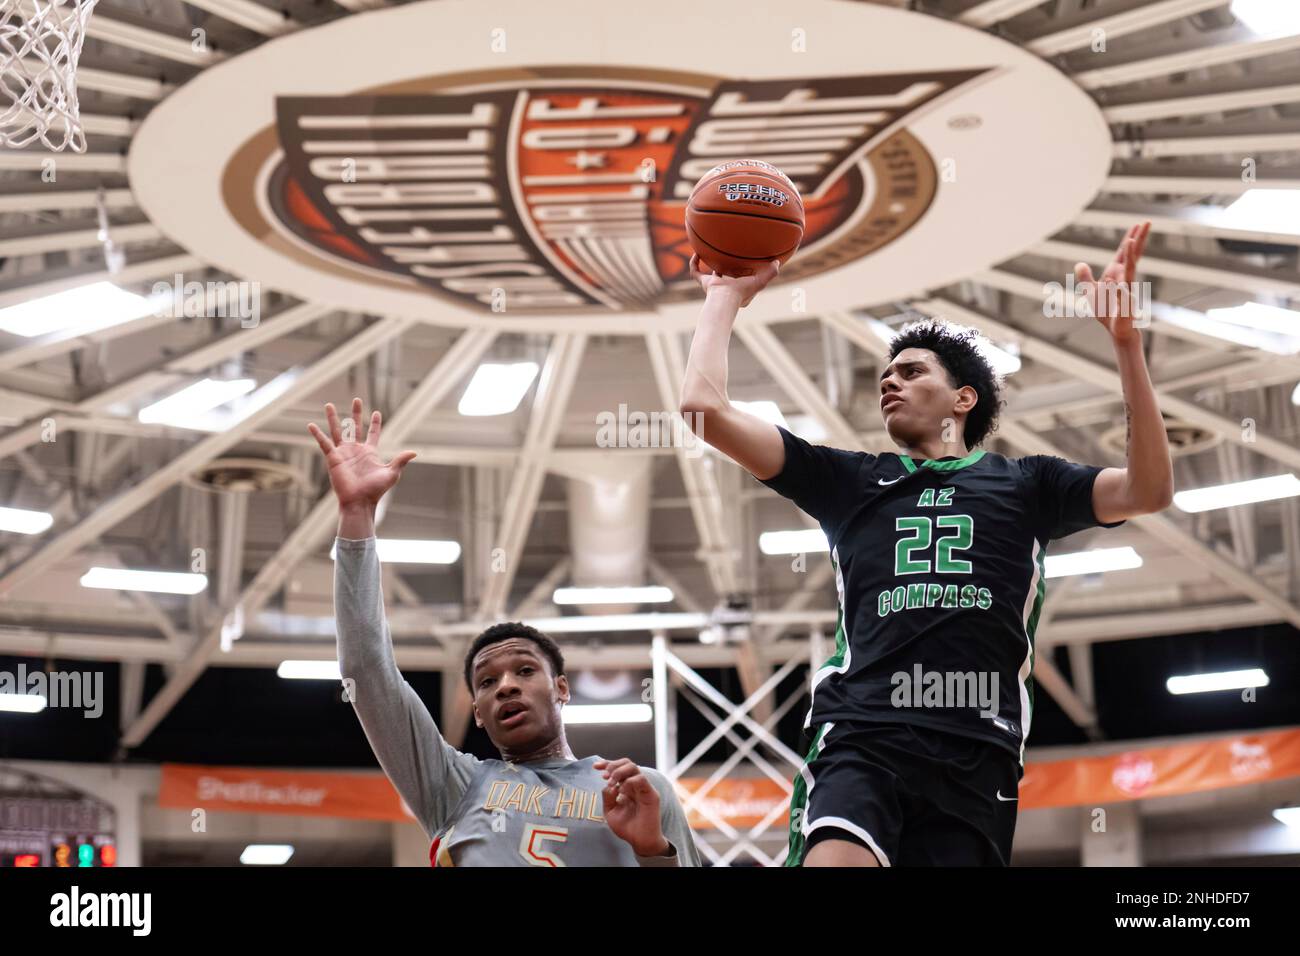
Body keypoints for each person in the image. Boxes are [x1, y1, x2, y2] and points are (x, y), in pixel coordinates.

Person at [679, 222, 1173, 867]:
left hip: (977, 744)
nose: (889, 382)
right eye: (885, 375)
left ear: (962, 398)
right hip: (863, 731)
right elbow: (701, 410)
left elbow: (1148, 490)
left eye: (911, 372)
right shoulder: (849, 480)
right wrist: (724, 296)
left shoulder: (1029, 483)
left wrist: (1128, 347)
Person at [309, 398, 700, 867]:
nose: (506, 685)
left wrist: (653, 852)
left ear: (561, 688)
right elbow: (366, 671)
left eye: (524, 670)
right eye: (487, 682)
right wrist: (356, 515)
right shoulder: (453, 784)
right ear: (477, 711)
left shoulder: (640, 789)